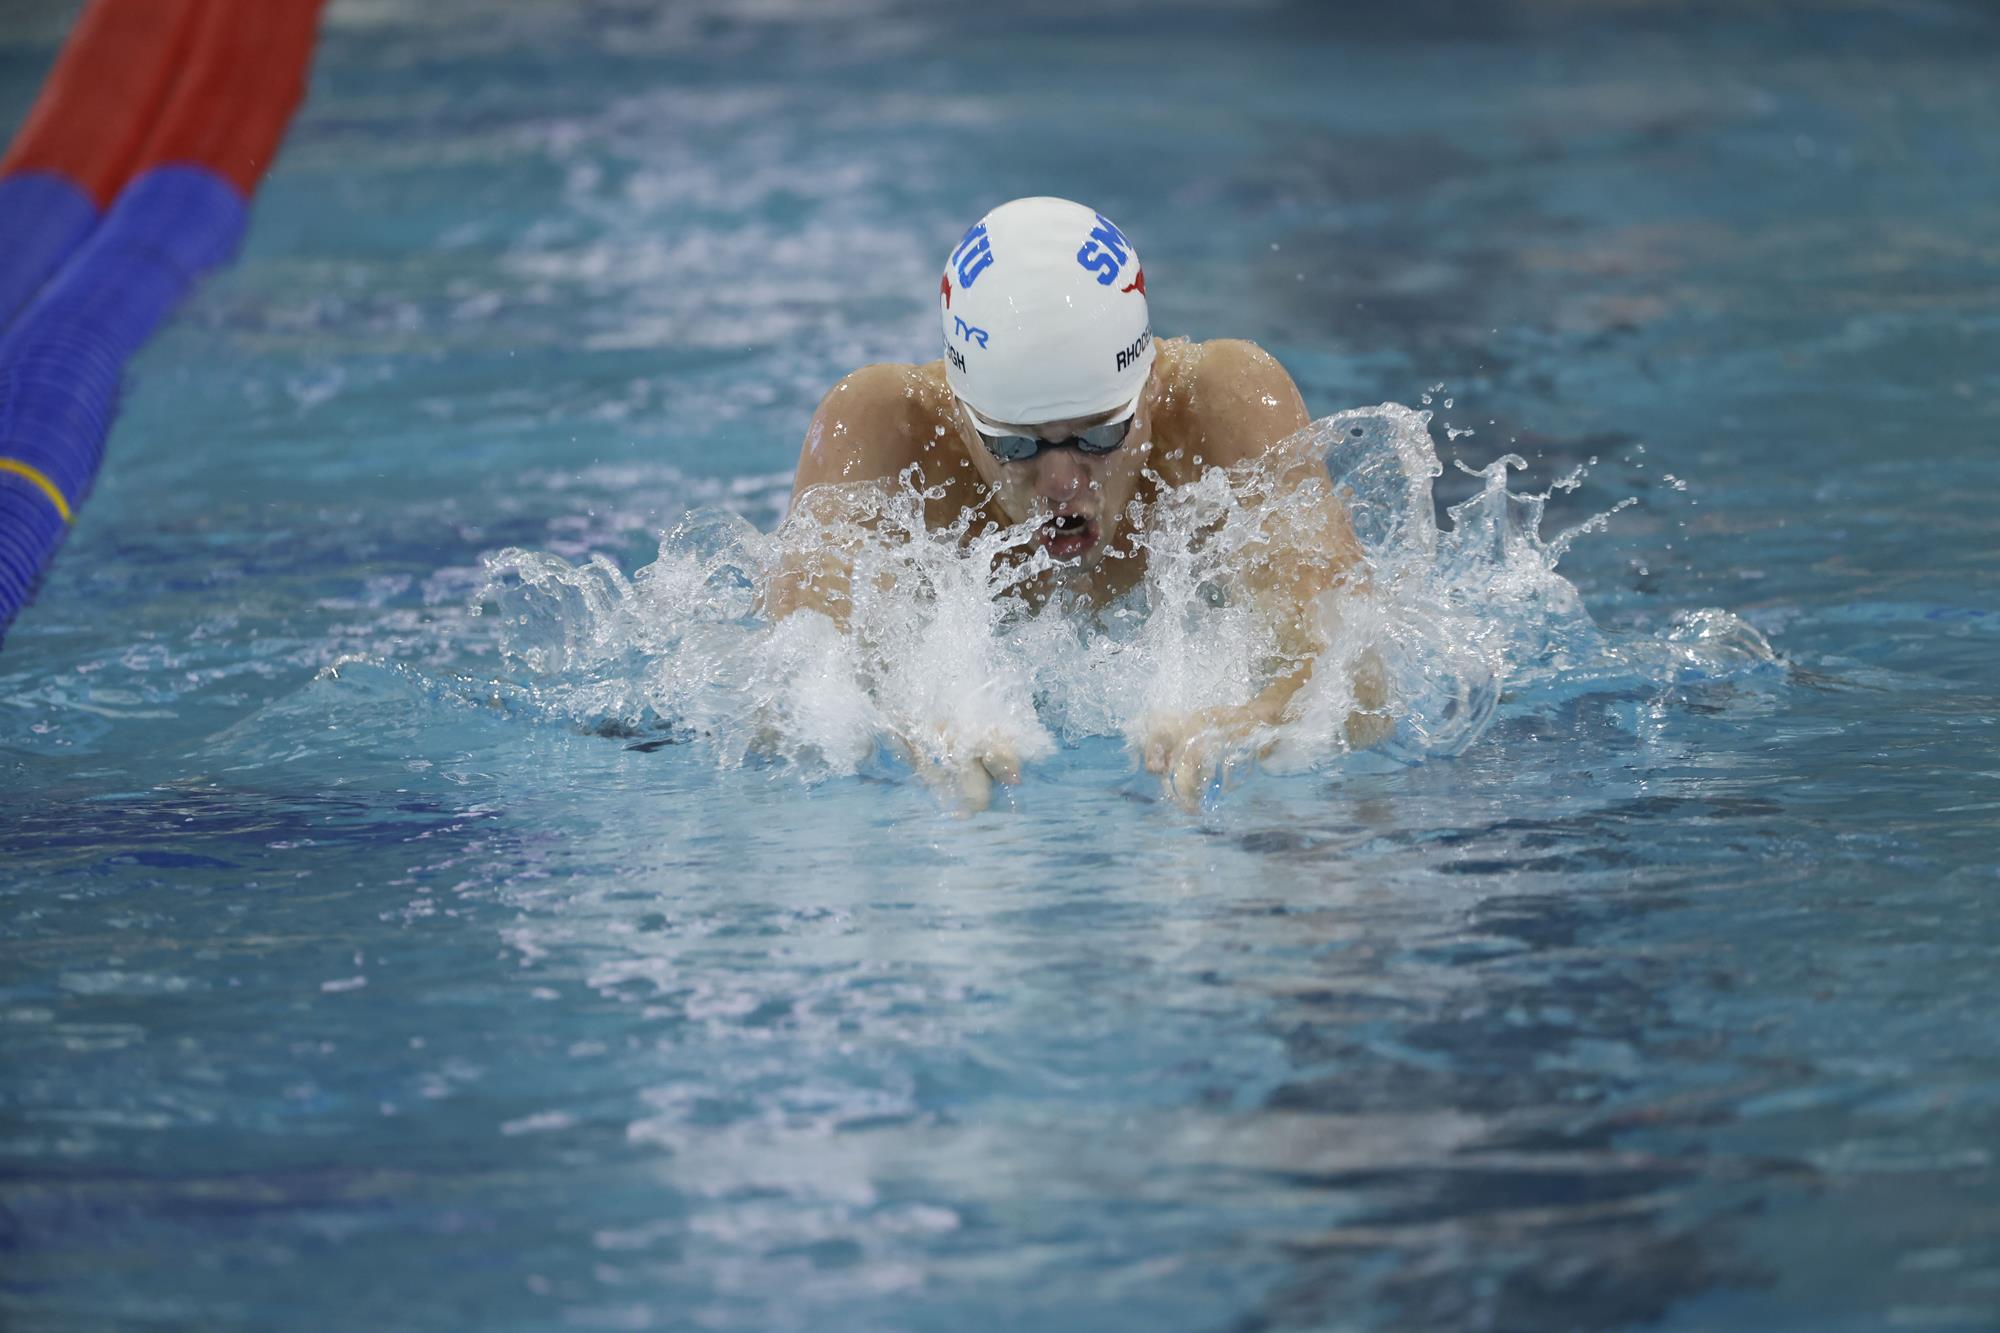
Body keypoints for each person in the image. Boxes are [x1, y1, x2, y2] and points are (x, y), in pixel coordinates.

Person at [768, 196, 1384, 808]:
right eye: (1014, 445)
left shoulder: (1224, 410)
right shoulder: (881, 430)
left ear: (1149, 388)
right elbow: (784, 699)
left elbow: (1357, 683)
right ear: (959, 413)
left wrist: (1245, 725)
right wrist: (904, 733)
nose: (1061, 483)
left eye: (1100, 435)